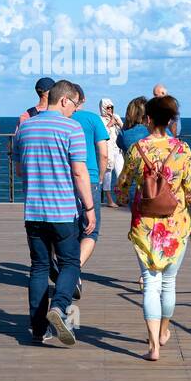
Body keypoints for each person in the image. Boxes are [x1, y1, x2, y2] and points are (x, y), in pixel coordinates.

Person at [116, 95, 191, 362]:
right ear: (171, 120)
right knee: (169, 283)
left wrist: (125, 198)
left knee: (150, 284)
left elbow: (122, 186)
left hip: (144, 226)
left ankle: (153, 348)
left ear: (147, 119)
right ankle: (163, 332)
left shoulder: (137, 149)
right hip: (176, 227)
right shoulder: (182, 149)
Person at [13, 78, 96, 347]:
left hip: (34, 211)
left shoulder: (24, 128)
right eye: (74, 104)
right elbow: (79, 171)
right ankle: (59, 309)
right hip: (62, 211)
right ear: (63, 100)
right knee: (70, 263)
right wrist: (90, 207)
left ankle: (38, 329)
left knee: (38, 267)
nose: (75, 110)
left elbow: (18, 170)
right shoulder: (71, 128)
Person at [69, 85, 110, 287]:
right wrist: (101, 178)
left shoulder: (62, 119)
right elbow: (103, 153)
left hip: (65, 180)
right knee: (90, 230)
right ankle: (74, 271)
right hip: (91, 178)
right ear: (82, 100)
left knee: (68, 229)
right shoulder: (93, 119)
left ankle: (67, 269)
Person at [13, 77, 55, 184]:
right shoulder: (59, 114)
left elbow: (17, 141)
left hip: (32, 167)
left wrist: (18, 167)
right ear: (48, 93)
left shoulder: (26, 115)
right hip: (53, 164)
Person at [98, 97, 123, 207]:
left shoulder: (116, 117)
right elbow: (102, 135)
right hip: (108, 151)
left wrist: (118, 123)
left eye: (111, 107)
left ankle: (120, 198)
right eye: (108, 108)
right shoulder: (99, 120)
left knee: (121, 174)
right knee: (107, 175)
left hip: (117, 150)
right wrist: (109, 125)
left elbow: (123, 131)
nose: (110, 110)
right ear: (103, 108)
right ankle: (109, 200)